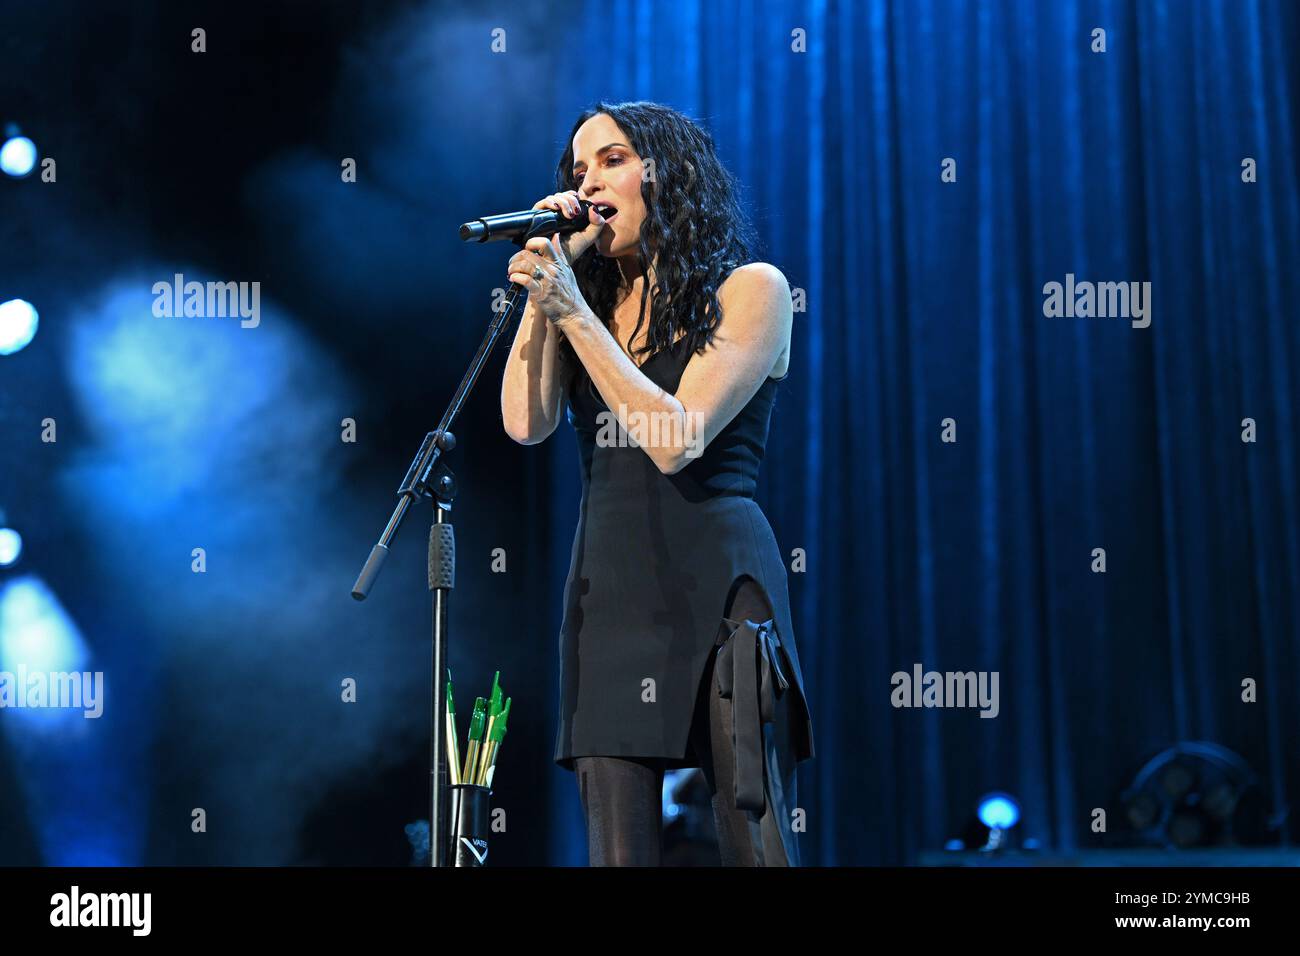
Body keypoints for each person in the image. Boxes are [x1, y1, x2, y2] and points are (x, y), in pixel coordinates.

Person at [499, 101, 814, 866]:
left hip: (721, 577)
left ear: (665, 173)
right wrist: (553, 287)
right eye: (579, 169)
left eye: (610, 159)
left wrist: (573, 314)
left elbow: (677, 440)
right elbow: (524, 422)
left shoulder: (753, 290)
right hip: (609, 582)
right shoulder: (588, 306)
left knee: (752, 827)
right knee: (617, 846)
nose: (589, 180)